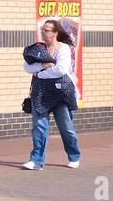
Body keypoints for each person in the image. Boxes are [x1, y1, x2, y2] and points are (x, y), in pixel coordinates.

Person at [22, 19, 81, 170]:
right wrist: (43, 65)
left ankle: (74, 156)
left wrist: (40, 74)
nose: (43, 32)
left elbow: (60, 69)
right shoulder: (38, 48)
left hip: (60, 92)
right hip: (40, 92)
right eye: (42, 29)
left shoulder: (64, 49)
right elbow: (27, 67)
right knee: (39, 126)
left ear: (55, 33)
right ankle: (36, 161)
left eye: (46, 30)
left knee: (66, 127)